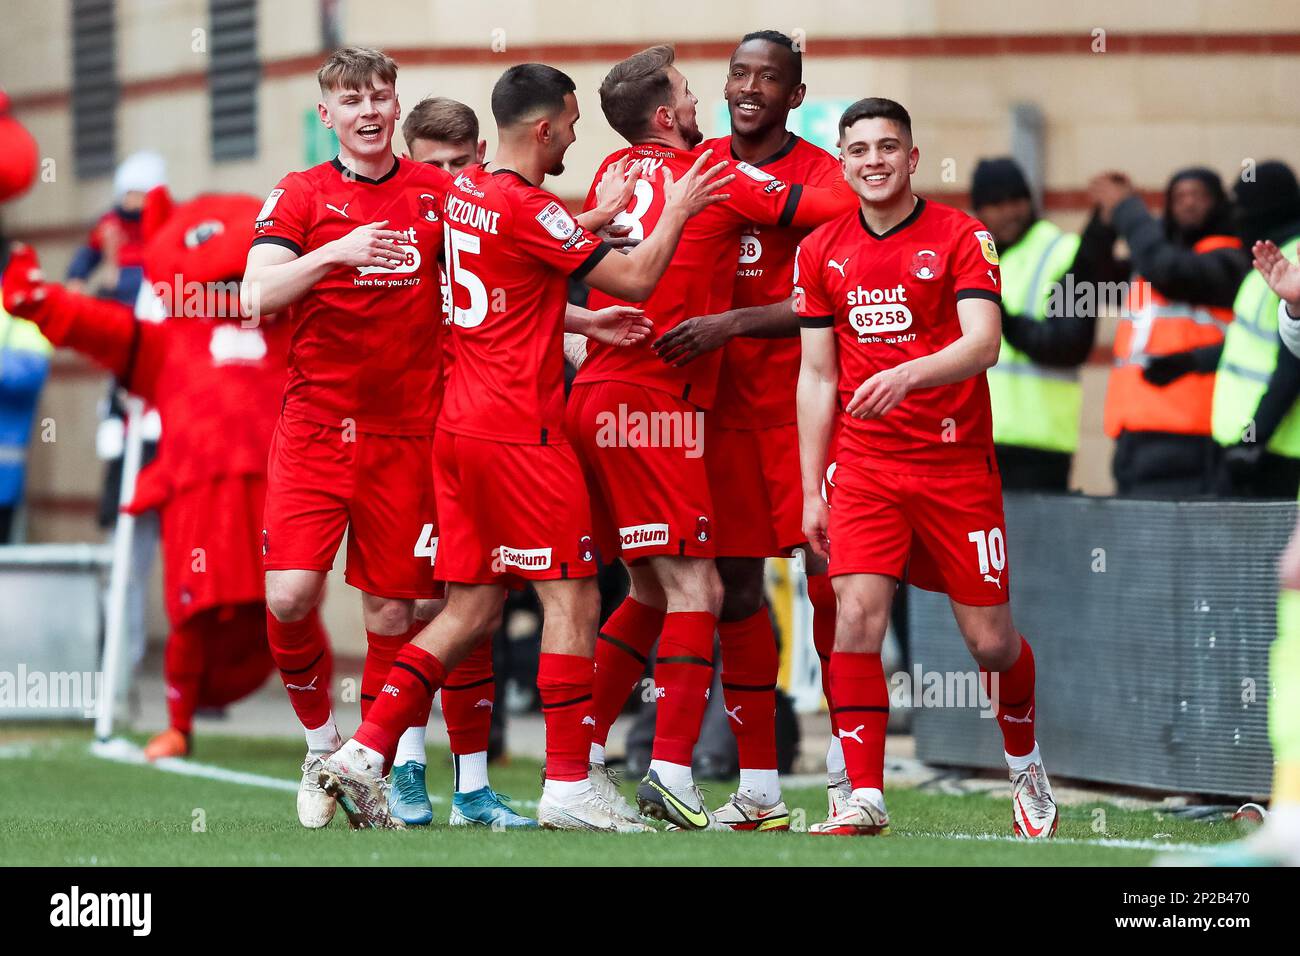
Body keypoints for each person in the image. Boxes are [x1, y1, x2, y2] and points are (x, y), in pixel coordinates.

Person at [317, 61, 731, 831]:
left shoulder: (466, 192)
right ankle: (571, 783)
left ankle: (362, 753)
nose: (577, 133)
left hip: (457, 431)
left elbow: (513, 276)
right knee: (571, 595)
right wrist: (676, 208)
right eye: (571, 123)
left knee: (470, 607)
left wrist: (586, 244)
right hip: (521, 434)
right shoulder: (523, 205)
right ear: (543, 129)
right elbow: (637, 279)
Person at [566, 43, 855, 831]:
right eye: (720, 80)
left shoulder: (615, 173)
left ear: (795, 93)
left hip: (755, 406)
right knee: (715, 591)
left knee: (792, 588)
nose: (734, 92)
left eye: (764, 77)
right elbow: (851, 214)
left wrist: (735, 320)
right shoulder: (708, 172)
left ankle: (836, 776)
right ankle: (700, 776)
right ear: (673, 111)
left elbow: (854, 249)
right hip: (684, 413)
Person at [795, 97, 1057, 838]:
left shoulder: (961, 235)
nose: (873, 161)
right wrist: (813, 485)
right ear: (842, 162)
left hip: (954, 467)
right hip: (866, 466)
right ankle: (864, 795)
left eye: (887, 148)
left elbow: (984, 343)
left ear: (912, 159)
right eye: (859, 150)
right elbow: (816, 377)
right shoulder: (820, 251)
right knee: (855, 616)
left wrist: (908, 376)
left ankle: (1026, 766)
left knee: (990, 643)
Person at [2, 191, 280, 759]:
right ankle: (179, 723)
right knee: (191, 612)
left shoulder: (292, 328)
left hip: (277, 496)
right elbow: (101, 326)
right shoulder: (169, 338)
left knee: (293, 610)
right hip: (194, 496)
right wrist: (41, 300)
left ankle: (326, 731)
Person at [1091, 167, 1246, 496]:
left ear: (1219, 204)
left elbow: (1171, 272)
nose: (1188, 204)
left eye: (1199, 195)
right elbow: (1089, 278)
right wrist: (1104, 219)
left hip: (1194, 436)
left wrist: (1128, 209)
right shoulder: (1150, 262)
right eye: (1179, 197)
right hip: (1133, 436)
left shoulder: (1231, 259)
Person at [973, 157, 1093, 492]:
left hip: (1039, 443)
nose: (1009, 211)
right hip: (977, 439)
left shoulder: (1064, 251)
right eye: (995, 204)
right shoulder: (975, 256)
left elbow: (1069, 345)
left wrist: (1006, 322)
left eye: (1016, 200)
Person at [1210, 162, 1300, 497]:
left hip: (1275, 451)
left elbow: (1292, 366)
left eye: (1241, 208)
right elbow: (1247, 345)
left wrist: (1255, 438)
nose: (1236, 219)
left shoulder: (1290, 263)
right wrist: (1190, 361)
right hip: (1248, 444)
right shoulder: (1269, 261)